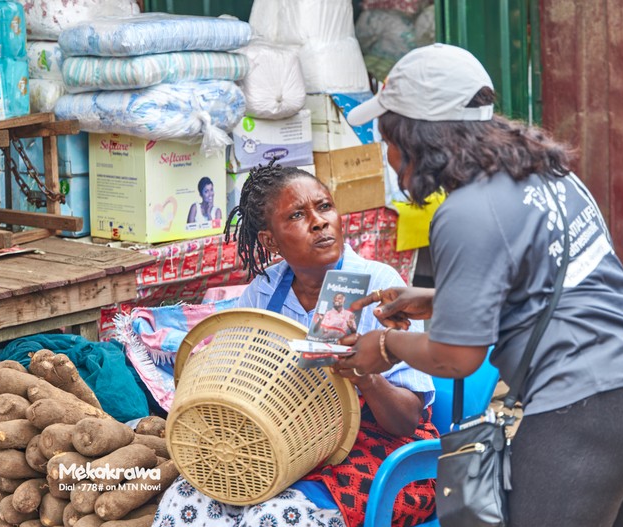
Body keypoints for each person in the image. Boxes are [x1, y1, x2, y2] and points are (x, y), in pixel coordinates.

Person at [339, 43, 623, 527]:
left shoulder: (464, 212)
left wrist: (384, 345)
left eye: (386, 139)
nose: (386, 156)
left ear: (414, 137)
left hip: (594, 404)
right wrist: (435, 299)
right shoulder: (547, 173)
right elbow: (559, 281)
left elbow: (456, 357)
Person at [152, 163, 438, 527]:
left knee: (271, 517)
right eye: (298, 215)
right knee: (185, 500)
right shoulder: (265, 290)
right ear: (270, 240)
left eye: (324, 207)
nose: (319, 222)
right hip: (289, 444)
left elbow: (408, 421)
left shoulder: (378, 285)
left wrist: (364, 376)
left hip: (386, 454)